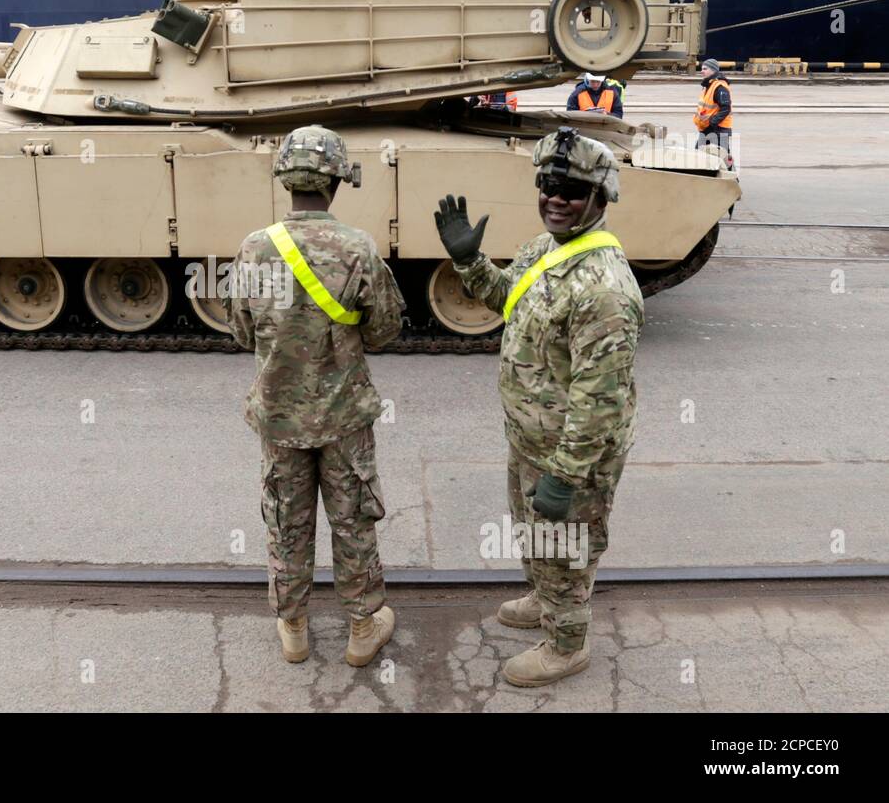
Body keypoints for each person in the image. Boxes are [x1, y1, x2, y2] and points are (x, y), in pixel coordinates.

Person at [432, 128, 643, 687]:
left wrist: (567, 475)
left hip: (570, 454)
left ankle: (566, 643)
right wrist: (471, 262)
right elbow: (507, 297)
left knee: (565, 543)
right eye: (547, 183)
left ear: (600, 198)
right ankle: (546, 597)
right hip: (532, 438)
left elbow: (600, 399)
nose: (555, 197)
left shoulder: (603, 288)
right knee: (536, 534)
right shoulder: (546, 249)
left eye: (571, 189)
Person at [226, 125, 405, 668]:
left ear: (285, 177)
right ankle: (360, 629)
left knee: (286, 520)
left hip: (279, 419)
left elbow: (239, 329)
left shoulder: (255, 248)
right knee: (352, 521)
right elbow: (384, 329)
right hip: (343, 416)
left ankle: (295, 628)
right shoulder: (357, 249)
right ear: (336, 180)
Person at [694, 58, 733, 168]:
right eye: (701, 69)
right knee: (698, 155)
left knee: (723, 157)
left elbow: (726, 108)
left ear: (713, 70)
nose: (702, 71)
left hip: (718, 128)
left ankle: (731, 180)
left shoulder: (719, 87)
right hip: (707, 127)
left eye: (705, 69)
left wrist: (712, 121)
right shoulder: (708, 85)